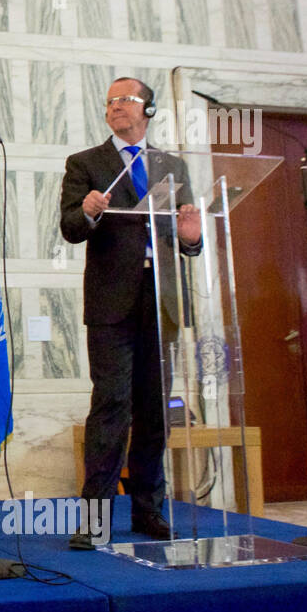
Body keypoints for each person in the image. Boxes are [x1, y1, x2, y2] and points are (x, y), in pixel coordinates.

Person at [59, 77, 202, 550]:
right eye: (111, 101)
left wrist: (190, 237)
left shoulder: (171, 164)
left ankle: (148, 511)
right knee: (112, 405)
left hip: (160, 300)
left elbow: (189, 241)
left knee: (155, 412)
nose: (117, 106)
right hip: (111, 303)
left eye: (127, 99)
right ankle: (95, 519)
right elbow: (70, 228)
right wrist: (91, 212)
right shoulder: (86, 163)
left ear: (149, 110)